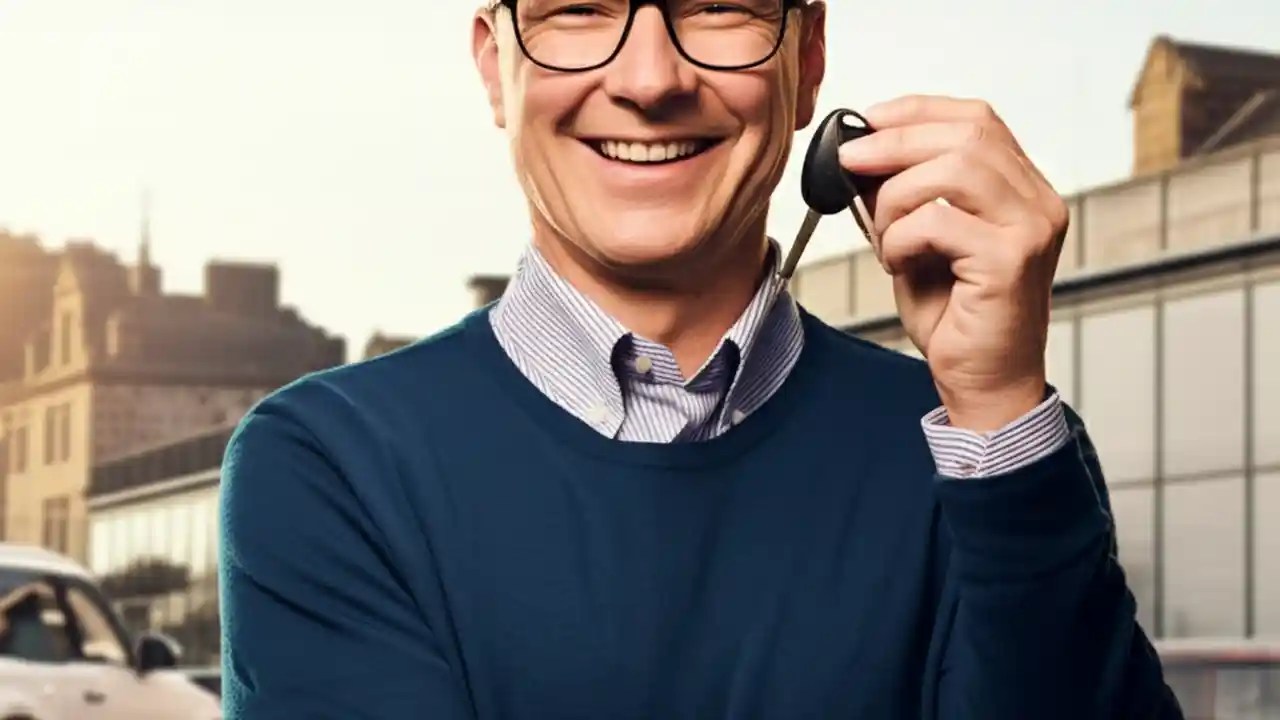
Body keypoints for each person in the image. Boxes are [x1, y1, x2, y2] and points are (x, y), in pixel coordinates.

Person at [218, 1, 1185, 717]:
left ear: (807, 61)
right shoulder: (325, 466)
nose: (649, 80)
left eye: (717, 6)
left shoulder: (993, 453)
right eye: (577, 10)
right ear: (493, 66)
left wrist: (998, 409)